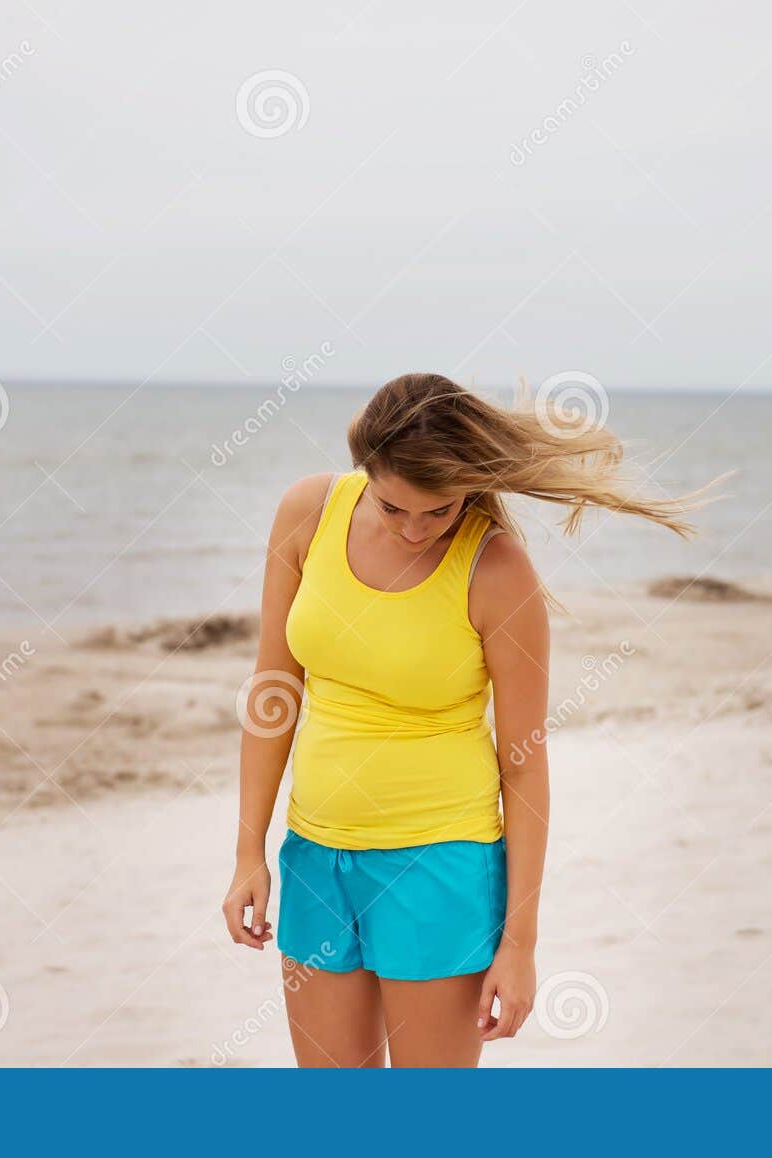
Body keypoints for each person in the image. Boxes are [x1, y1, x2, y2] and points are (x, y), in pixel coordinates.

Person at [222, 372, 709, 1066]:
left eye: (439, 511)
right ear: (366, 470)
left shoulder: (497, 569)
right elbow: (274, 689)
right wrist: (249, 851)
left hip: (439, 867)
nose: (416, 530)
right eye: (394, 508)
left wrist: (520, 944)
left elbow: (525, 765)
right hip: (315, 858)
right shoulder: (308, 513)